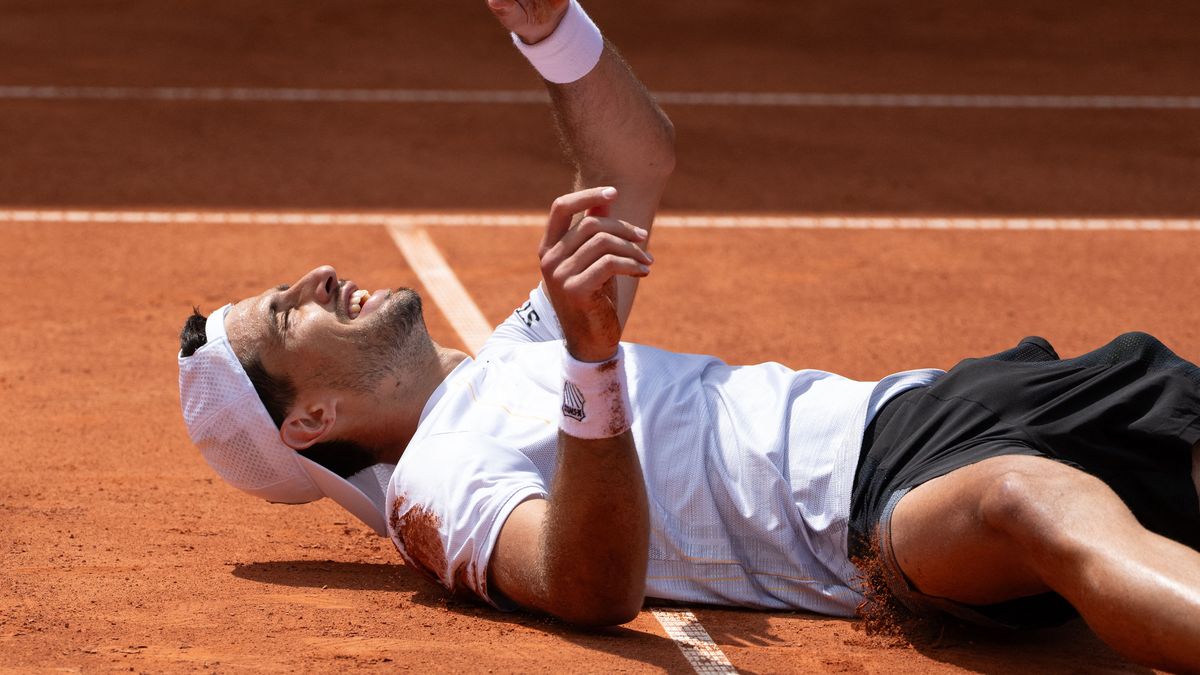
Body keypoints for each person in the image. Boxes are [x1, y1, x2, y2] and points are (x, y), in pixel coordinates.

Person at [176, 1, 1200, 670]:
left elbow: (635, 160)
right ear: (310, 419)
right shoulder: (431, 490)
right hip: (877, 514)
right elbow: (586, 588)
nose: (315, 280)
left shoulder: (507, 360)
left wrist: (552, 31)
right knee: (1030, 500)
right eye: (288, 313)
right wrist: (591, 361)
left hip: (926, 407)